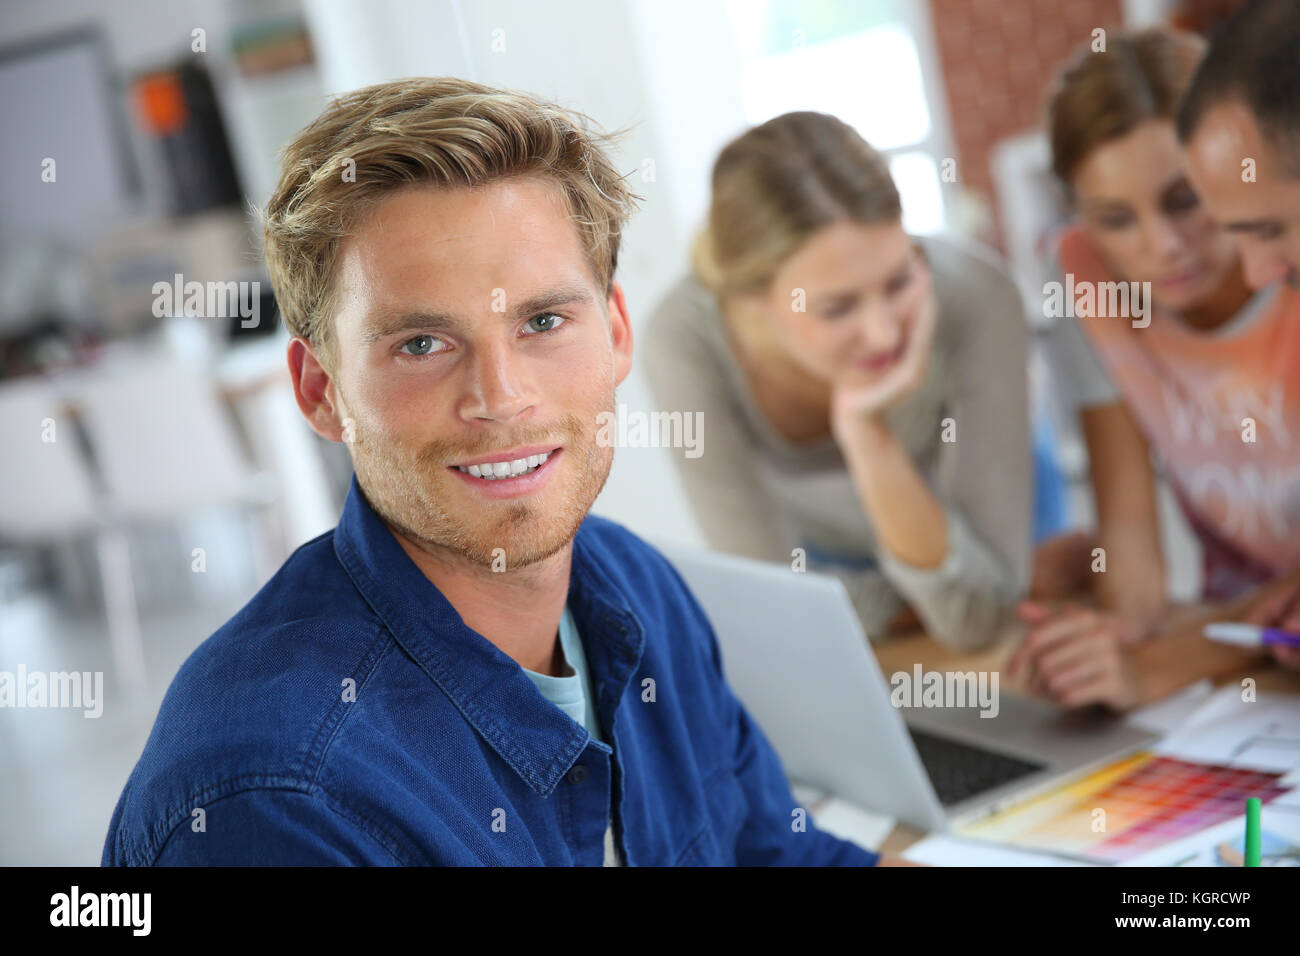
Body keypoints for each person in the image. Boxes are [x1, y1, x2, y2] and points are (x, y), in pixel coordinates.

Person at [101, 77, 892, 866]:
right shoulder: (273, 804)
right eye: (421, 344)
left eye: (543, 321)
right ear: (321, 391)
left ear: (615, 332)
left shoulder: (637, 591)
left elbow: (777, 855)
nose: (501, 399)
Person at [642, 111, 1032, 653]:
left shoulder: (977, 296)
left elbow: (980, 615)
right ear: (749, 303)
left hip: (957, 524)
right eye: (837, 307)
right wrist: (904, 603)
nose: (882, 335)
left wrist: (868, 435)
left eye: (899, 280)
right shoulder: (684, 340)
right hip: (826, 555)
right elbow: (776, 614)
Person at [1012, 26, 1300, 709]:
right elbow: (1129, 534)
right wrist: (1107, 636)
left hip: (1232, 642)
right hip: (1236, 647)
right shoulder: (1082, 274)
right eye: (1115, 218)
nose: (1162, 247)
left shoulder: (1287, 260)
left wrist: (1161, 664)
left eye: (1185, 200)